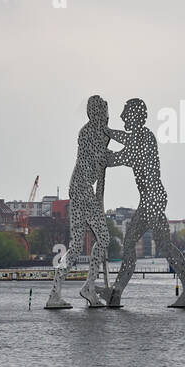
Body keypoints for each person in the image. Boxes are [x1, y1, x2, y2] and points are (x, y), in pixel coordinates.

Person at [104, 98, 185, 308]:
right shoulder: (139, 137)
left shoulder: (144, 138)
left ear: (135, 116)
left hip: (152, 199)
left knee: (133, 243)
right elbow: (123, 145)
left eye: (125, 114)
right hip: (152, 199)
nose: (121, 117)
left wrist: (104, 138)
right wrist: (107, 134)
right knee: (161, 246)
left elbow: (121, 156)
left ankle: (117, 293)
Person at [45, 95, 122, 308]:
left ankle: (55, 294)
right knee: (104, 238)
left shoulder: (88, 132)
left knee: (76, 245)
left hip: (77, 188)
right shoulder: (95, 133)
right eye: (105, 112)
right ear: (97, 113)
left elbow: (101, 161)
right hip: (84, 190)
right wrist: (126, 156)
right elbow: (102, 159)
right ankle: (88, 286)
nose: (108, 116)